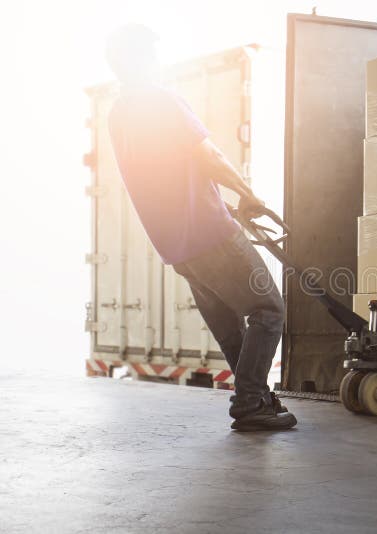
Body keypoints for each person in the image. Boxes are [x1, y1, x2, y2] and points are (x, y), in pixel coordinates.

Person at [105, 24, 296, 431]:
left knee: (230, 325)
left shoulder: (118, 114)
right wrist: (247, 194)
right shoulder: (160, 101)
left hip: (178, 248)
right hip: (211, 234)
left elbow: (164, 176)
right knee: (268, 309)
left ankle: (258, 397)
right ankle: (249, 402)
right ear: (143, 59)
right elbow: (205, 155)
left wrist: (217, 200)